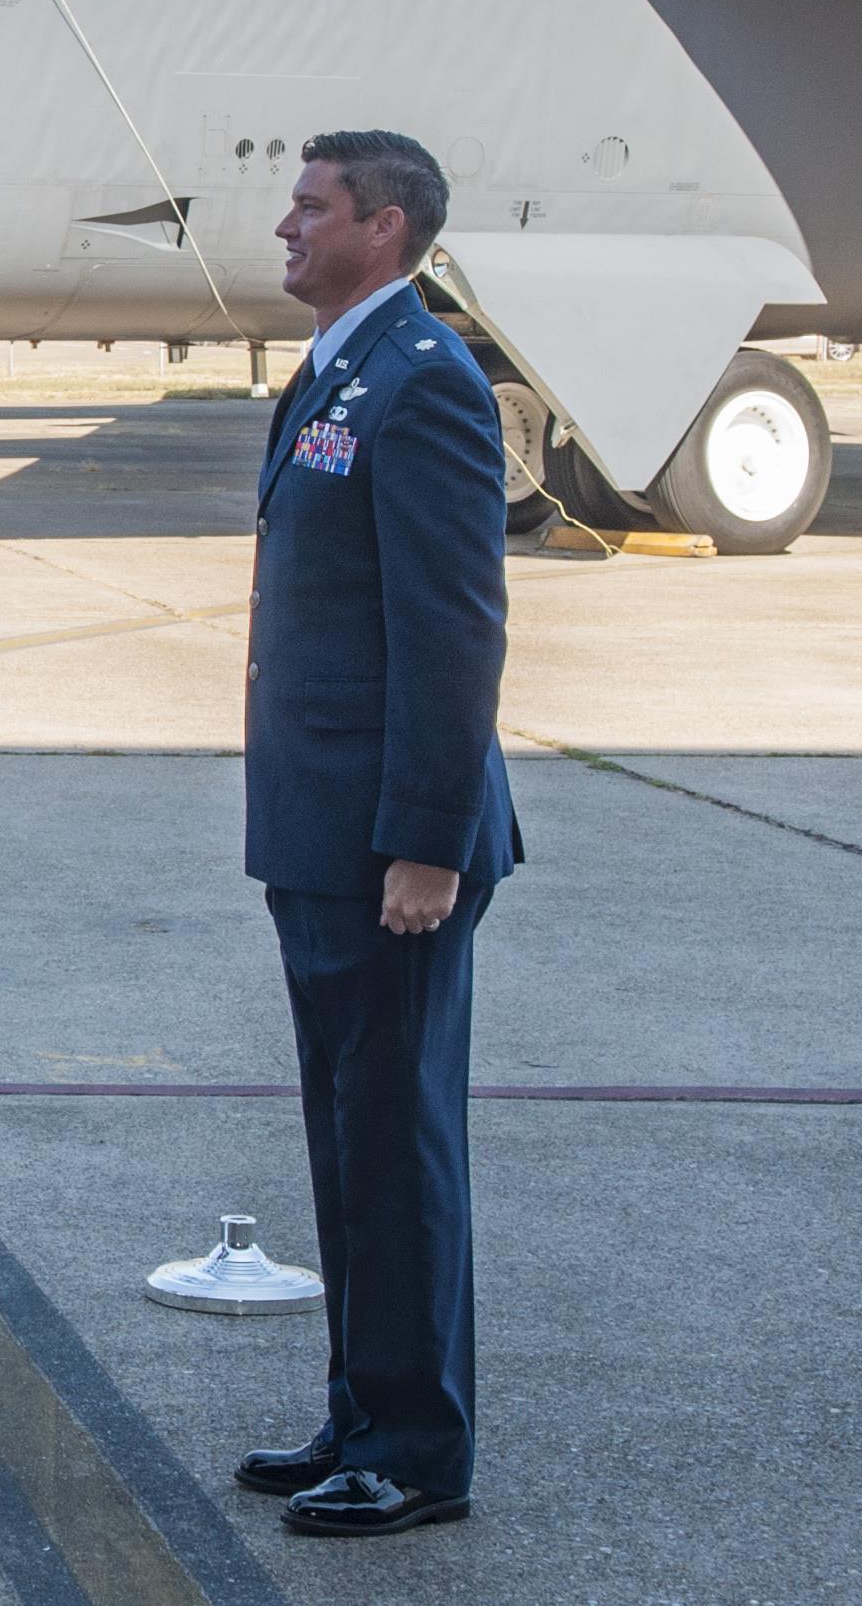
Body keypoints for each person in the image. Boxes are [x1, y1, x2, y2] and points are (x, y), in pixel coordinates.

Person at [235, 129, 521, 1539]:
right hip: (318, 827)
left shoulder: (424, 384)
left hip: (386, 845)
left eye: (310, 205)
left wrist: (426, 839)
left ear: (385, 224)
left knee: (396, 1144)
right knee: (348, 1140)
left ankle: (415, 1444)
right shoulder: (343, 363)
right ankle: (360, 1407)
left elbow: (453, 629)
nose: (283, 225)